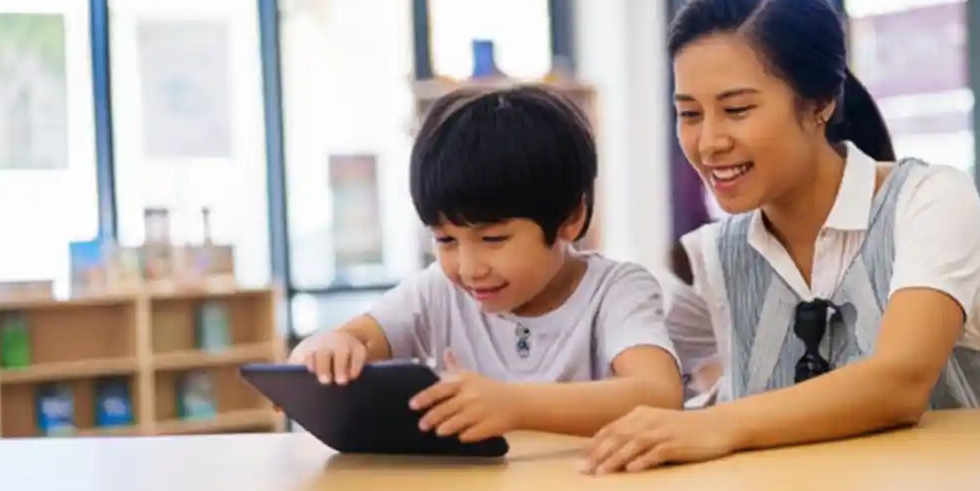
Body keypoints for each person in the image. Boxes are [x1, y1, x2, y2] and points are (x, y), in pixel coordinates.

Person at [580, 0, 980, 475]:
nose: (708, 142)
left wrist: (714, 424)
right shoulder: (716, 257)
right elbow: (632, 382)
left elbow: (900, 382)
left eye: (737, 109)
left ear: (820, 103)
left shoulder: (928, 200)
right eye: (689, 114)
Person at [287, 85, 684, 443]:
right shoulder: (437, 291)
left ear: (570, 219)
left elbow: (659, 395)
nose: (469, 267)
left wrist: (514, 405)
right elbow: (356, 340)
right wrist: (327, 346)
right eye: (445, 240)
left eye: (493, 239)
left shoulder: (616, 291)